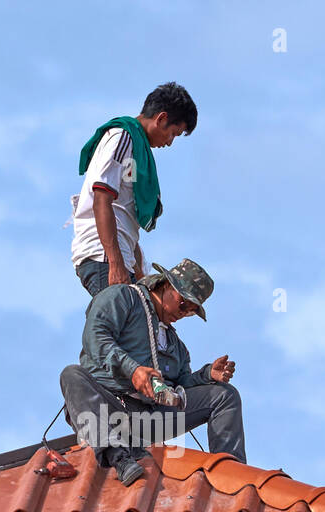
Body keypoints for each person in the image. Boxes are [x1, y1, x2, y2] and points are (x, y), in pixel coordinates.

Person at [59, 258, 244, 485]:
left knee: (226, 395)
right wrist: (133, 370)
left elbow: (181, 387)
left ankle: (233, 476)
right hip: (108, 410)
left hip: (148, 418)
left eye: (191, 311)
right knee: (71, 375)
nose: (182, 312)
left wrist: (207, 376)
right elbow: (95, 338)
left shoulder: (177, 348)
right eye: (182, 303)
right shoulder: (123, 298)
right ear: (166, 285)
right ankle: (119, 457)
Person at [70, 83, 198, 298]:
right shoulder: (123, 137)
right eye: (173, 134)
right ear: (161, 118)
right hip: (104, 257)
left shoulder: (136, 153)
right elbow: (101, 198)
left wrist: (139, 277)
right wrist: (116, 264)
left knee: (136, 328)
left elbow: (125, 214)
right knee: (116, 328)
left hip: (120, 257)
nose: (169, 143)